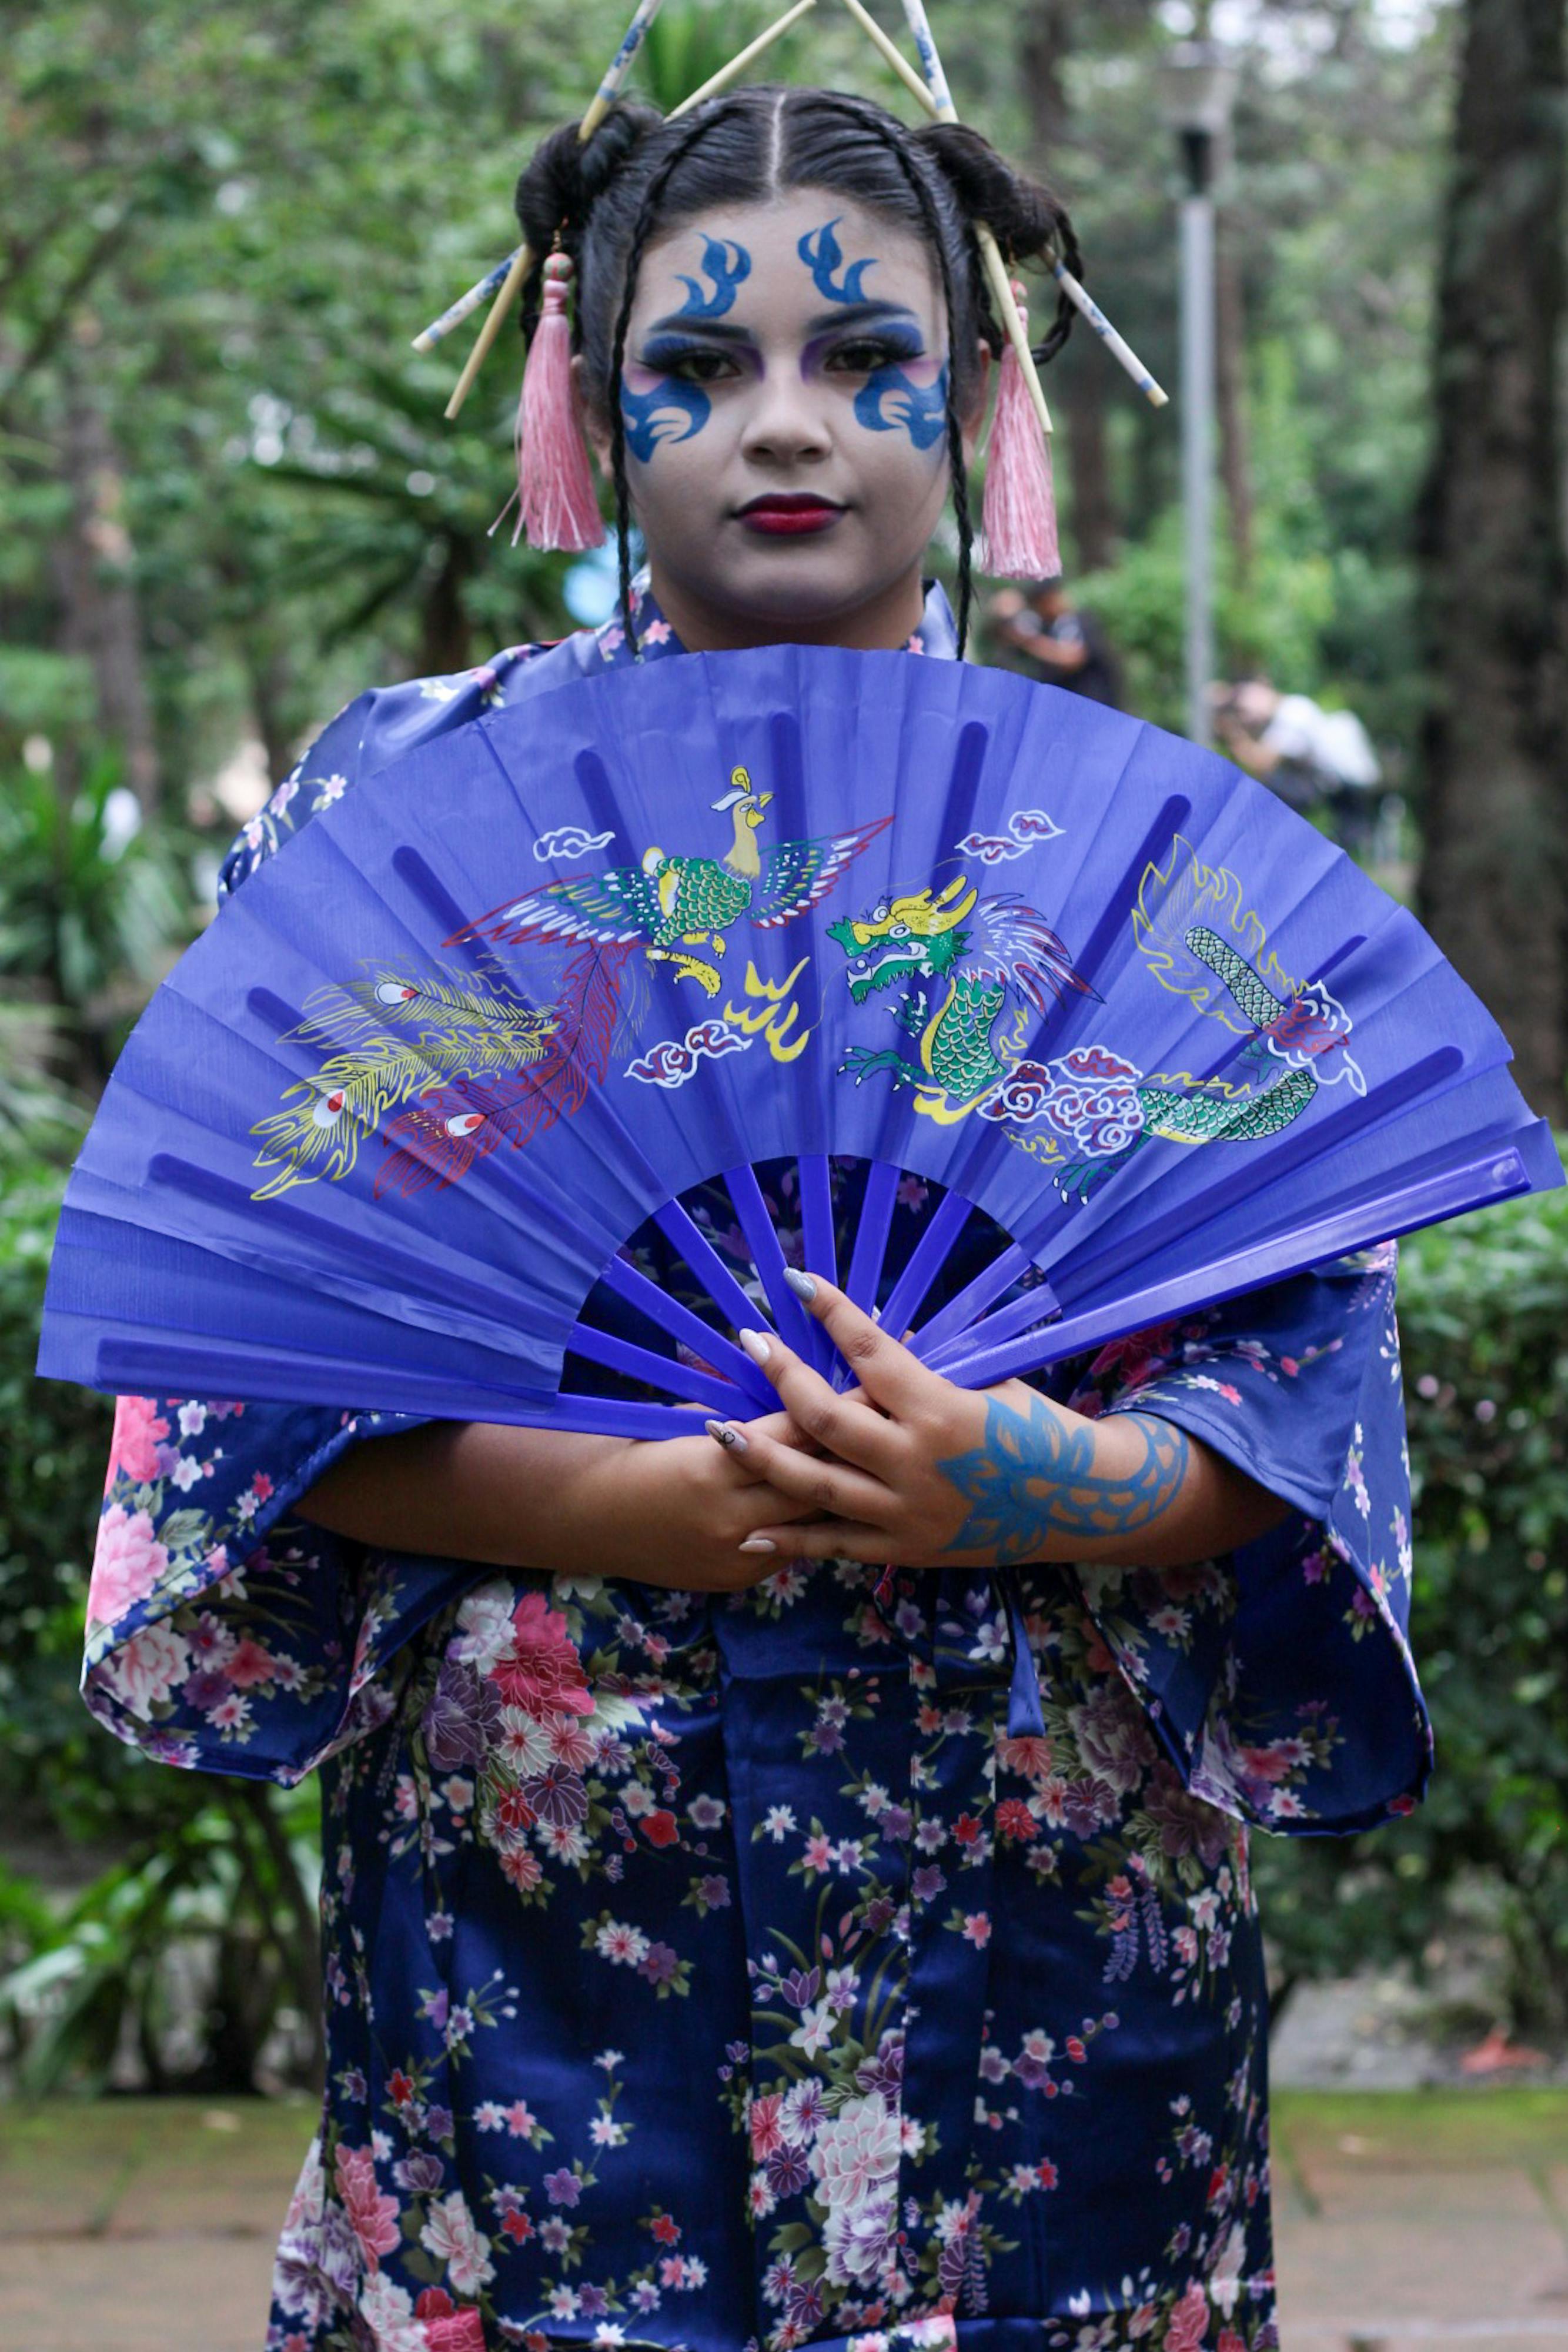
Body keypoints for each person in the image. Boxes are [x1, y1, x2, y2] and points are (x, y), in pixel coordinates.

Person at [80, 82, 1426, 2352]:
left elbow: (1299, 1389)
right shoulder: (394, 805)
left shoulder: (1131, 853)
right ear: (584, 400)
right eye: (696, 370)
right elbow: (234, 1374)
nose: (778, 426)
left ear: (976, 391)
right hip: (547, 1908)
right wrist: (631, 1496)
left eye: (857, 352)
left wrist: (1017, 1479)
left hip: (1040, 1901)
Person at [1216, 674, 1384, 854]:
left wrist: (1232, 732)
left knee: (1271, 793)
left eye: (1245, 707)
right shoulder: (1293, 709)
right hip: (1339, 782)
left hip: (1346, 785)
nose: (1246, 714)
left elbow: (1261, 763)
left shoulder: (1292, 715)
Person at [985, 575, 1122, 705]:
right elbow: (1001, 638)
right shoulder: (1047, 628)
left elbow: (1072, 659)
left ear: (1048, 599)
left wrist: (1027, 640)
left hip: (1093, 707)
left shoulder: (1081, 620)